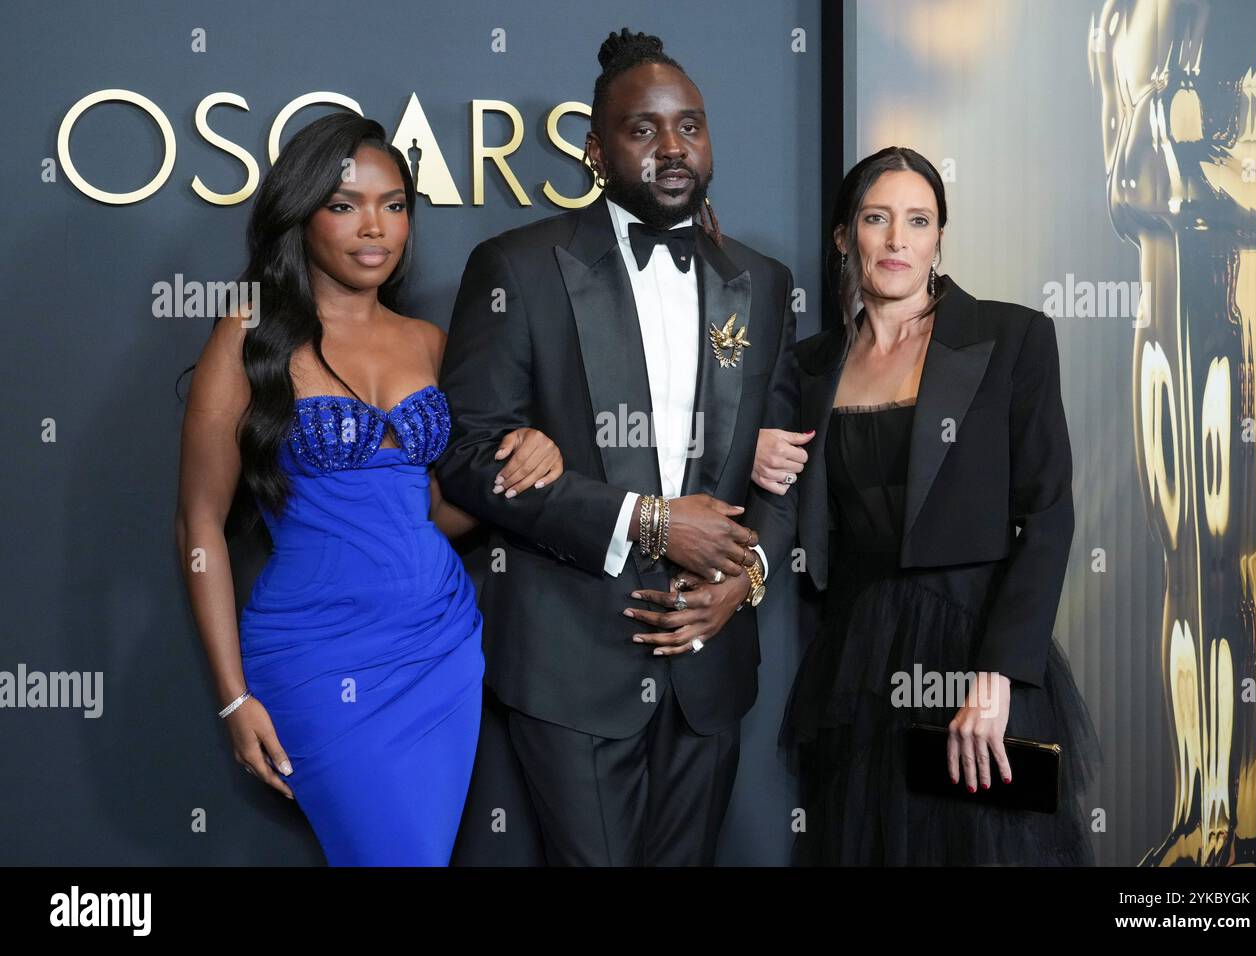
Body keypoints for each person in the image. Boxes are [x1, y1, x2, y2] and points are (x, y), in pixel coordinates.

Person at [435, 28, 799, 866]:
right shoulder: (518, 267)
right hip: (571, 658)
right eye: (644, 129)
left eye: (691, 126)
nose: (673, 147)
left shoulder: (764, 282)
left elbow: (778, 468)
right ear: (598, 149)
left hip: (709, 660)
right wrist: (647, 522)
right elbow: (468, 455)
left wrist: (748, 578)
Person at [175, 113, 562, 866]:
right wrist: (231, 695)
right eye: (346, 205)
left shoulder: (429, 342)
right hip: (318, 656)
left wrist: (528, 457)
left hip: (441, 648)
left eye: (393, 205)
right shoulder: (249, 334)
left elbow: (435, 512)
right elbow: (198, 524)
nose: (374, 228)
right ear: (302, 213)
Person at [758, 146, 1100, 864]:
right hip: (858, 666)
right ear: (844, 235)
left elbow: (1047, 516)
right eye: (877, 219)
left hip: (978, 652)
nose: (897, 240)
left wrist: (998, 675)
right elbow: (771, 495)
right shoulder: (809, 367)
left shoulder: (1012, 338)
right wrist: (753, 457)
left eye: (919, 220)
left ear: (939, 237)